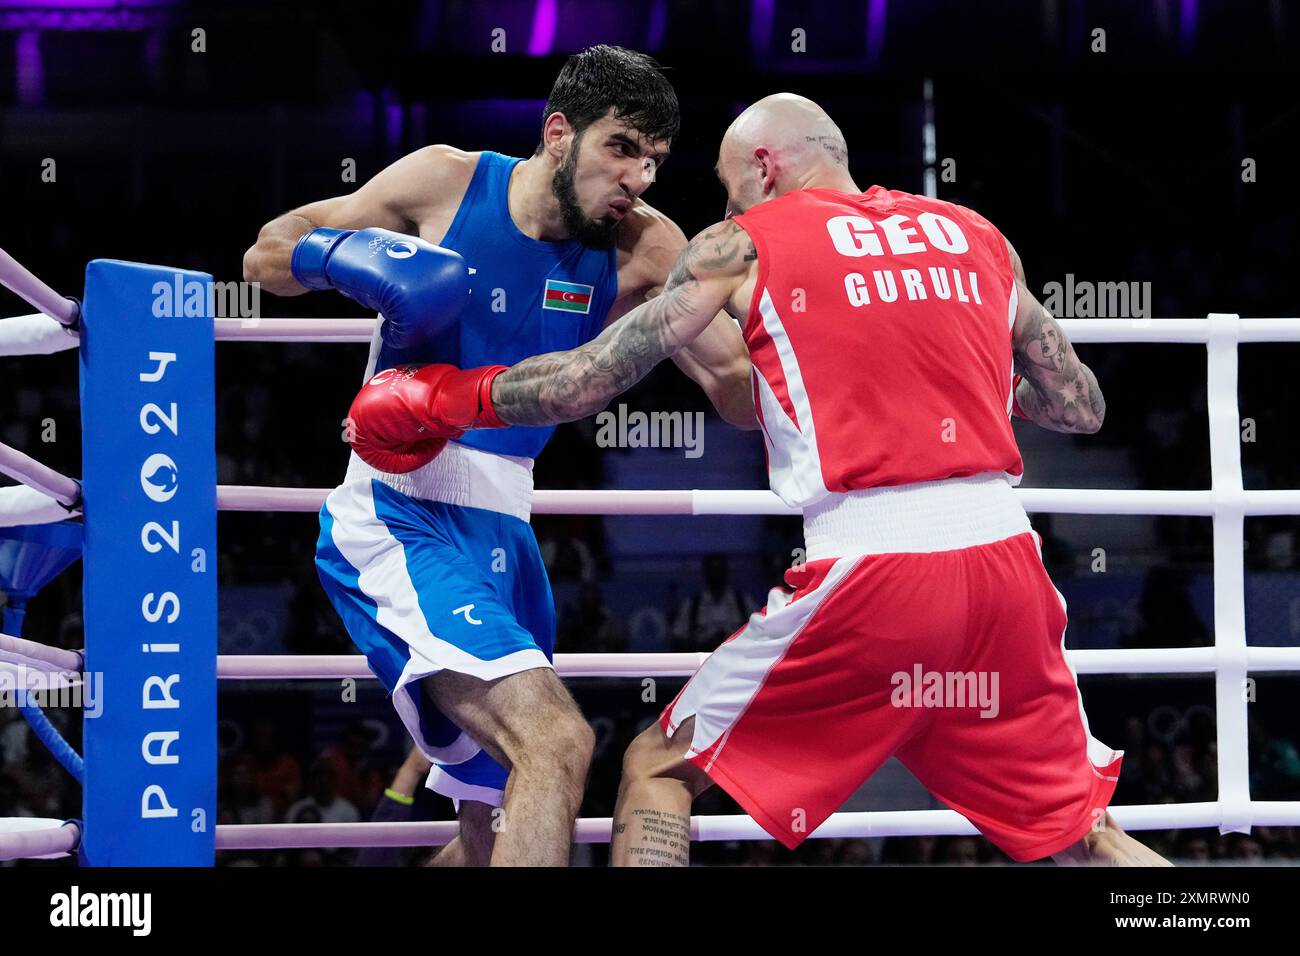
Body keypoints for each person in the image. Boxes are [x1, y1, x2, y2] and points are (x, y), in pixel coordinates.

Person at [347, 92, 1171, 866]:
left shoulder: (741, 243)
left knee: (658, 768)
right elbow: (1079, 404)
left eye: (728, 181)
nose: (727, 202)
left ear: (767, 168)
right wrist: (971, 394)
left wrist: (442, 399)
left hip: (873, 577)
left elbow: (583, 383)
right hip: (1006, 569)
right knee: (1080, 833)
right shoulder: (972, 233)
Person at [242, 45, 755, 866]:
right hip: (400, 512)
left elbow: (735, 383)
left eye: (654, 161)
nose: (640, 178)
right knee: (555, 743)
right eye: (621, 147)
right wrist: (351, 260)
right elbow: (266, 256)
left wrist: (814, 351)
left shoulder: (648, 247)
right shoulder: (445, 181)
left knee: (490, 832)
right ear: (560, 134)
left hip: (508, 539)